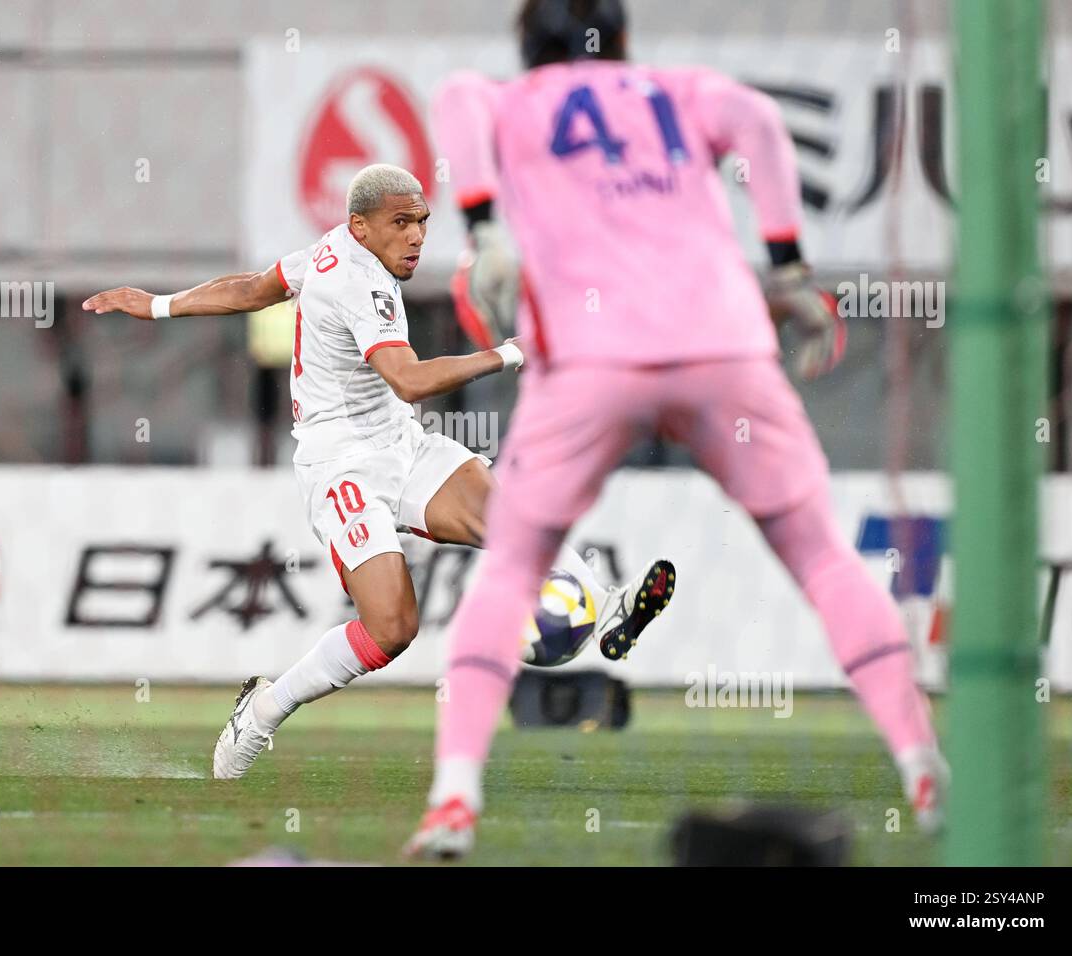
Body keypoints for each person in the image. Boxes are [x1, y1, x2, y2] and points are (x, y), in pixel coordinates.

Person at [405, 0, 946, 859]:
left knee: (509, 568)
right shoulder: (678, 90)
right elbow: (759, 121)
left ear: (528, 45)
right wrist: (789, 263)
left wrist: (481, 228)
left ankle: (455, 798)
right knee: (820, 555)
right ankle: (921, 764)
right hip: (723, 345)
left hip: (590, 358)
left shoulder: (512, 102)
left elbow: (458, 101)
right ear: (622, 39)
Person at [83, 163, 675, 782]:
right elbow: (410, 378)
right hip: (341, 466)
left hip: (400, 444)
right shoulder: (355, 283)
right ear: (360, 228)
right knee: (392, 627)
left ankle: (607, 607)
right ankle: (262, 710)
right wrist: (513, 353)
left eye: (421, 221)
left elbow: (253, 289)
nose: (417, 236)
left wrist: (155, 304)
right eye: (401, 224)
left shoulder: (331, 252)